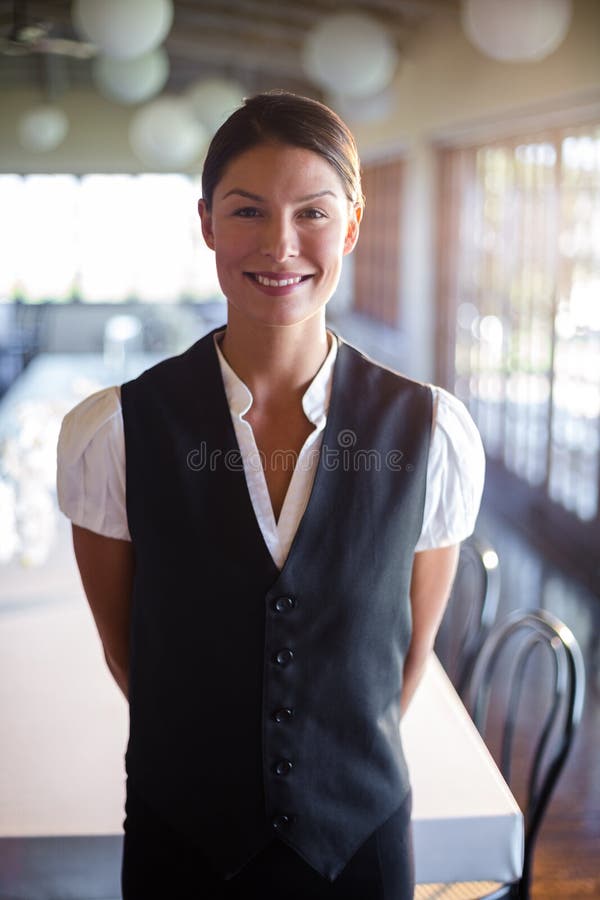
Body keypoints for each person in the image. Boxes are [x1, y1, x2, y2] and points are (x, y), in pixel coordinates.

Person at [57, 90, 485, 900]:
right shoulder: (116, 429)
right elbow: (128, 655)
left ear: (352, 226)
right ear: (208, 223)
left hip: (359, 841)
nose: (280, 245)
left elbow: (405, 658)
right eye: (247, 211)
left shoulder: (429, 430)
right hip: (181, 838)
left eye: (313, 213)